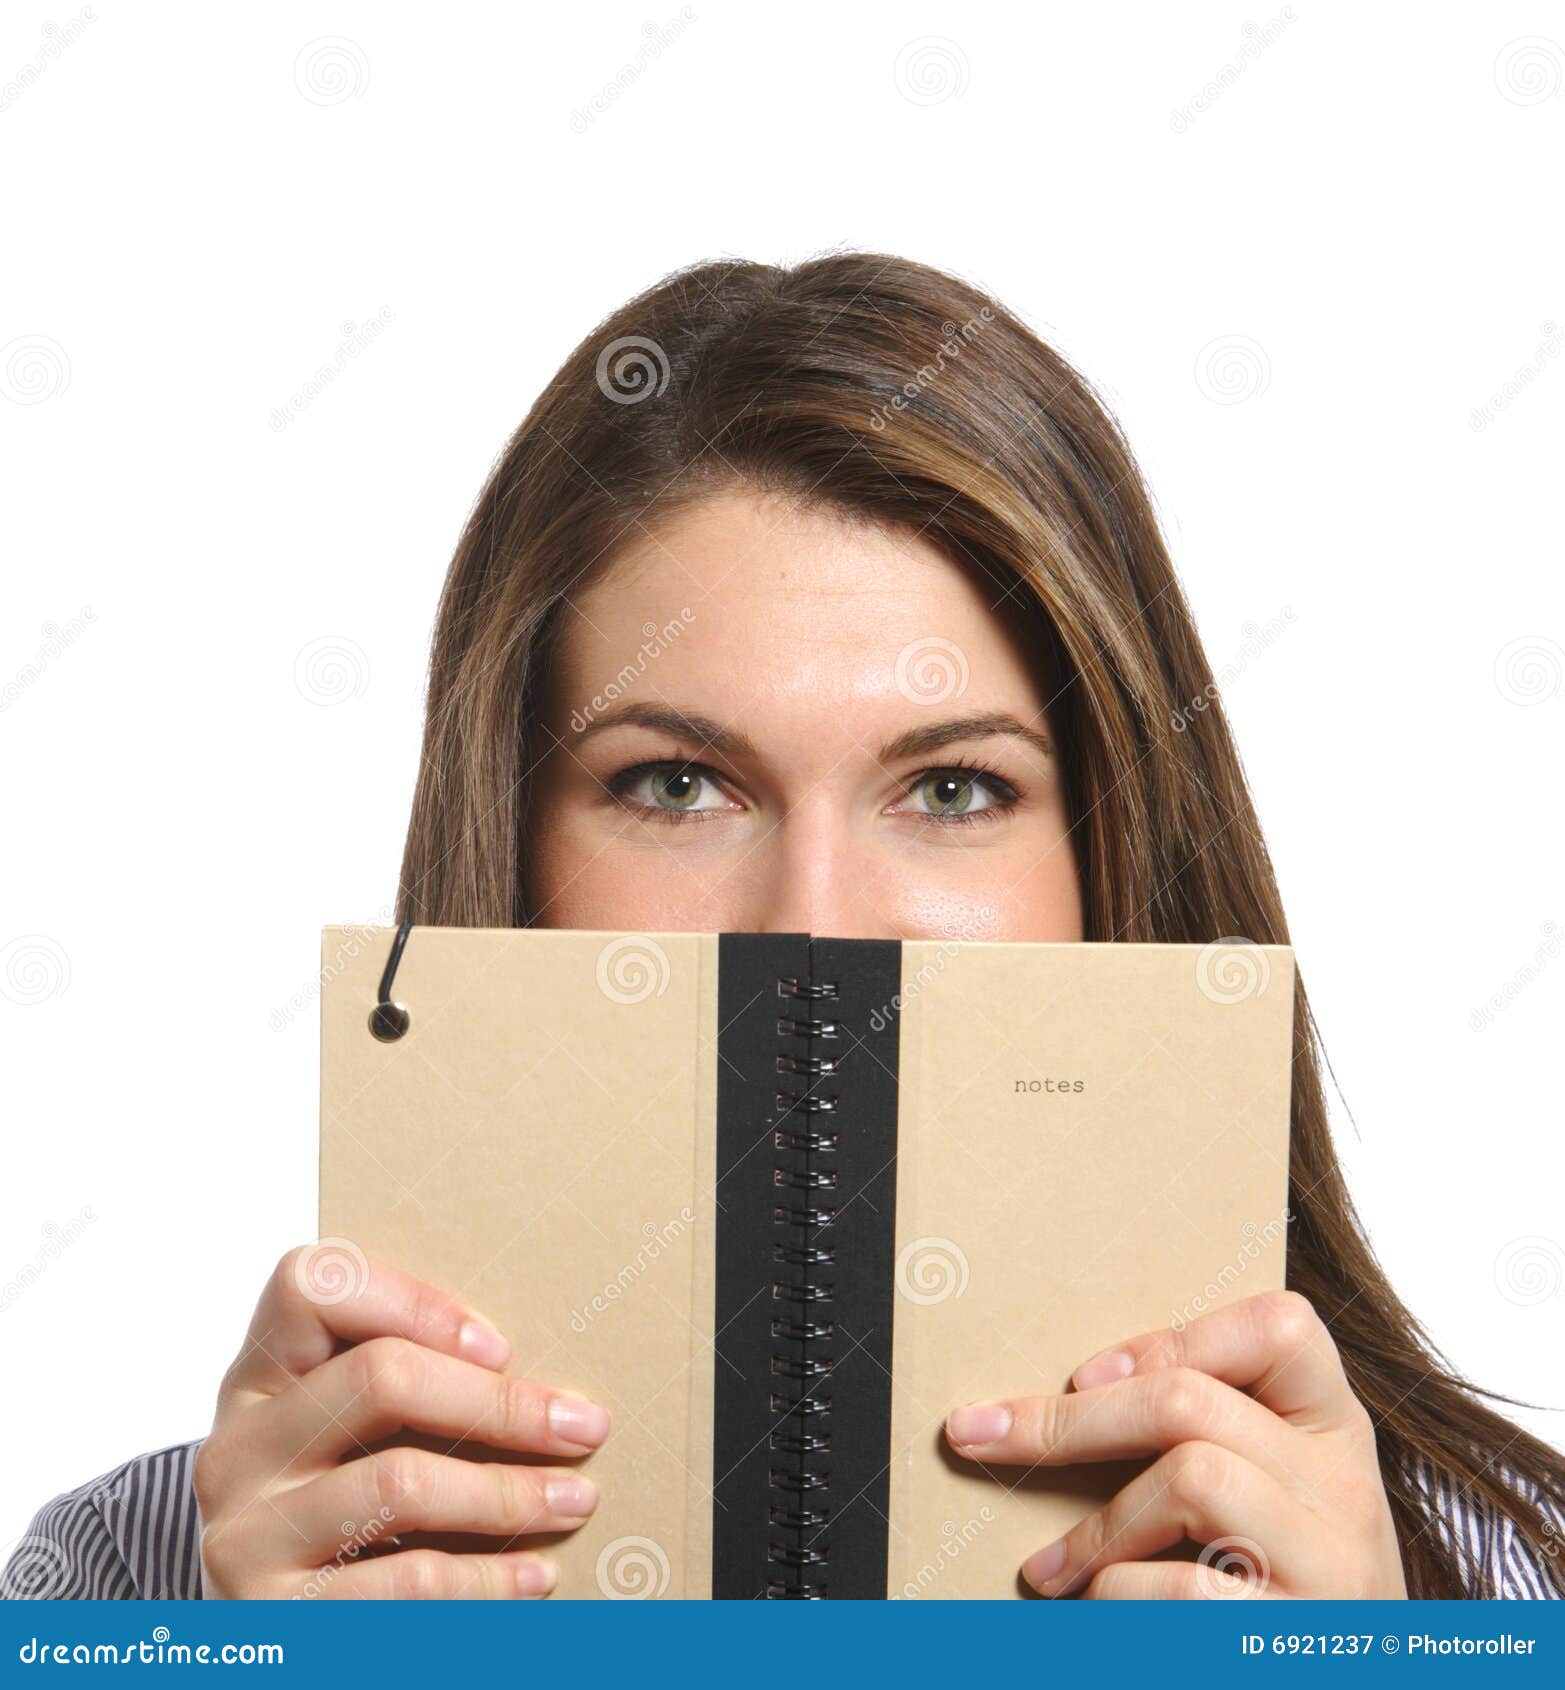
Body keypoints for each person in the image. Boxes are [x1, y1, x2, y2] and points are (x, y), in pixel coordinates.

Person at [7, 254, 1561, 1601]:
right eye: (677, 783)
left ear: (1117, 868)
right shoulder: (141, 1574)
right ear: (511, 853)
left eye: (951, 787)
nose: (813, 925)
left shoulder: (1504, 1574)